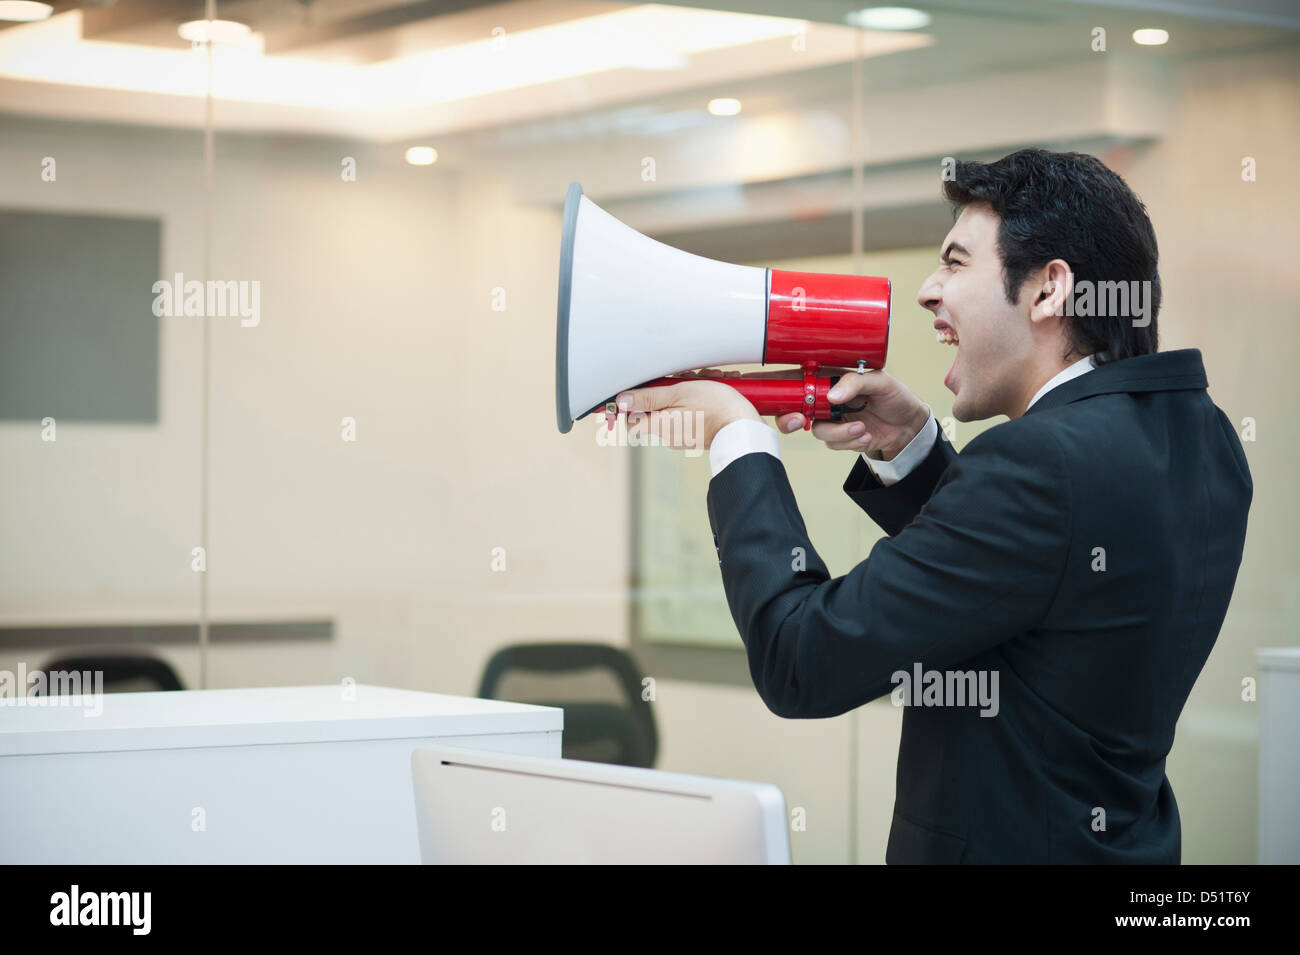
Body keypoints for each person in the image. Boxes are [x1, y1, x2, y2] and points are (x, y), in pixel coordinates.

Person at [613, 148, 1252, 864]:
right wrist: (915, 448)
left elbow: (801, 659)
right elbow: (1034, 585)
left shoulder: (1038, 464)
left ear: (1048, 291)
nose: (926, 290)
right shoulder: (1202, 437)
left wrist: (737, 441)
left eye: (954, 261)